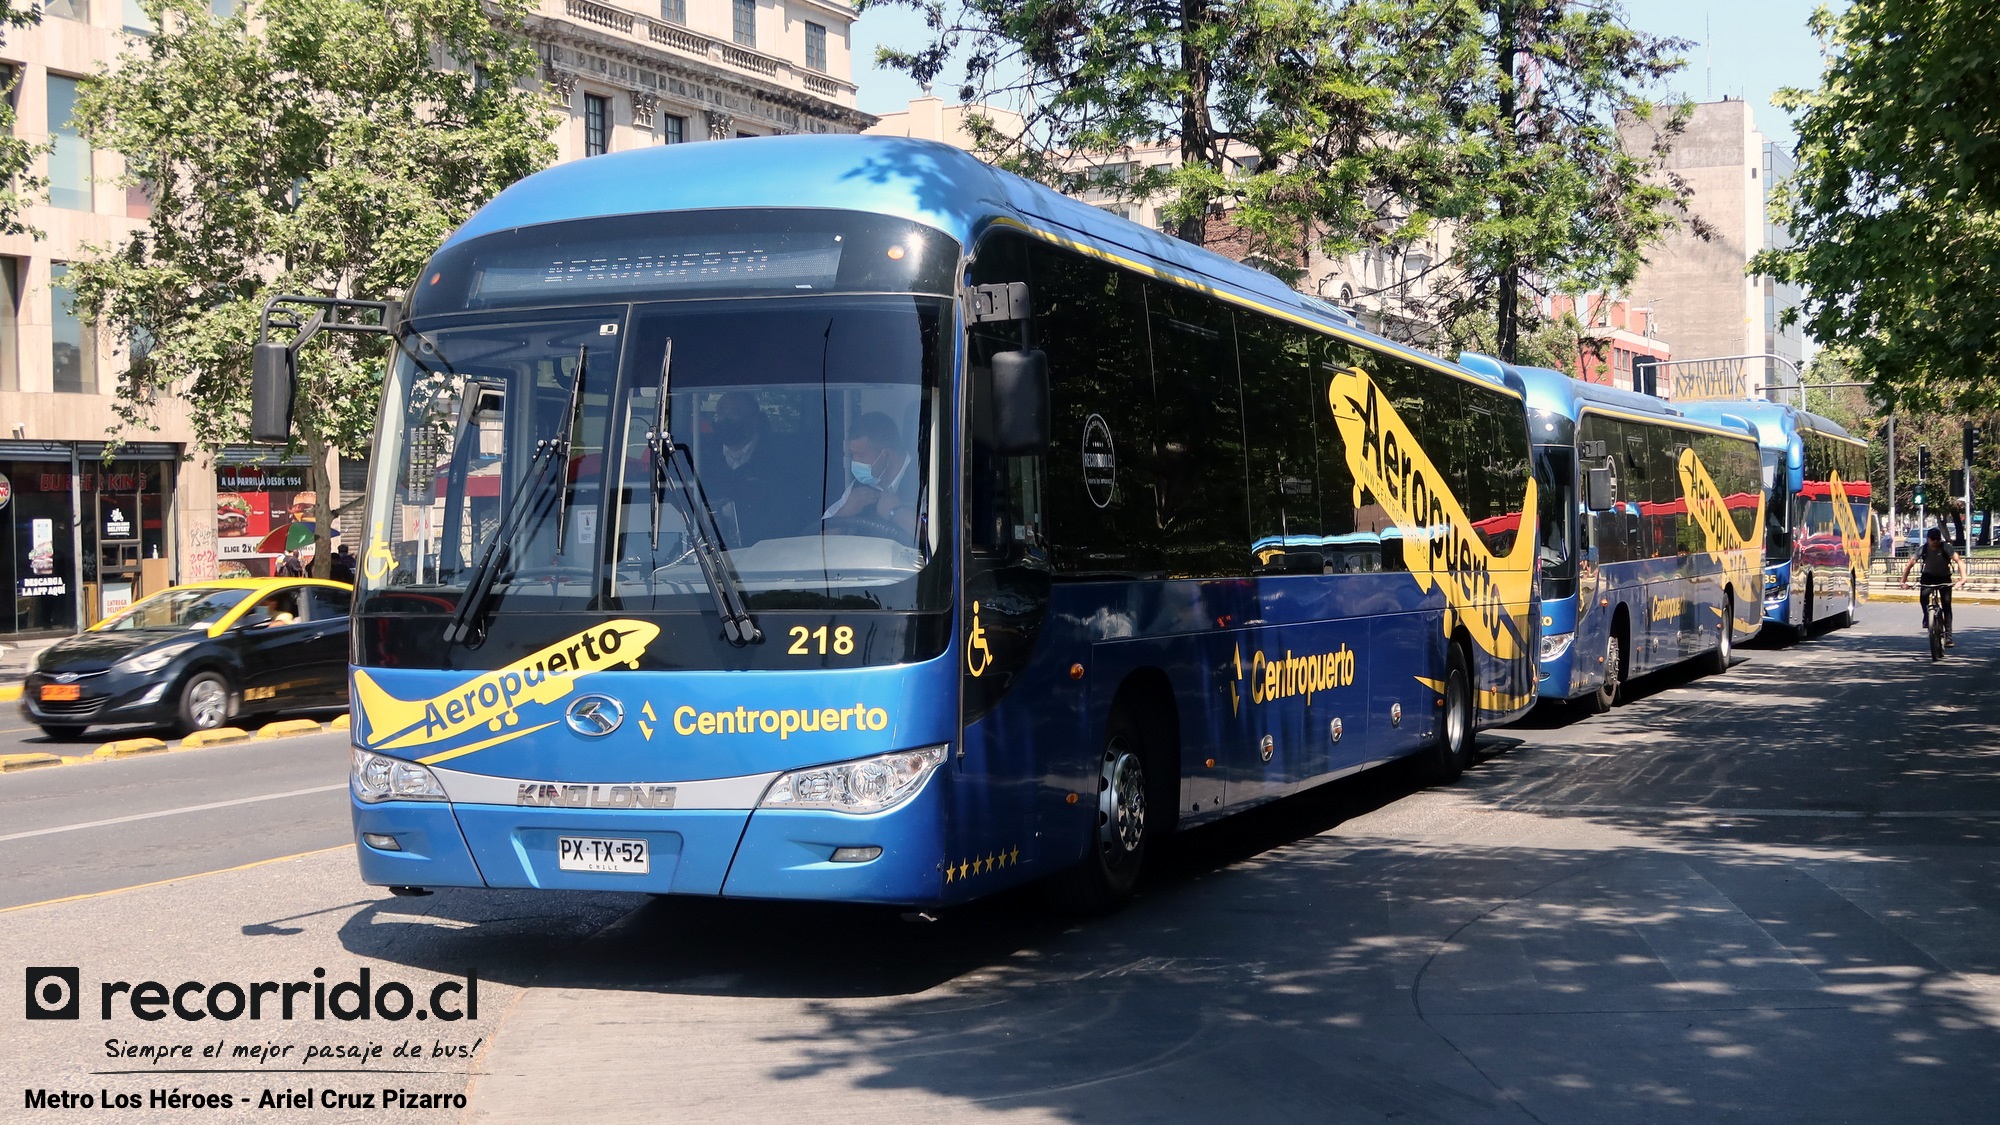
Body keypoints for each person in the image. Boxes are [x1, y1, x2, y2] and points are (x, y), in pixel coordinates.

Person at [823, 411, 918, 535]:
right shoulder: (859, 488)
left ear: (887, 455)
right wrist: (845, 512)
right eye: (853, 454)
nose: (854, 461)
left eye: (861, 455)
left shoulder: (924, 479)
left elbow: (938, 537)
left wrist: (895, 512)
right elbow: (821, 543)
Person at [1901, 526, 1968, 645]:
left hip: (1944, 577)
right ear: (1928, 539)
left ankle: (1948, 636)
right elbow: (1910, 564)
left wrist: (1962, 579)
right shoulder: (1923, 549)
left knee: (1947, 605)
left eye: (1937, 539)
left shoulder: (1945, 547)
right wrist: (1903, 581)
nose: (1935, 542)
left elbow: (1959, 561)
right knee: (1923, 597)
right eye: (1933, 539)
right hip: (1928, 577)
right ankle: (1927, 617)